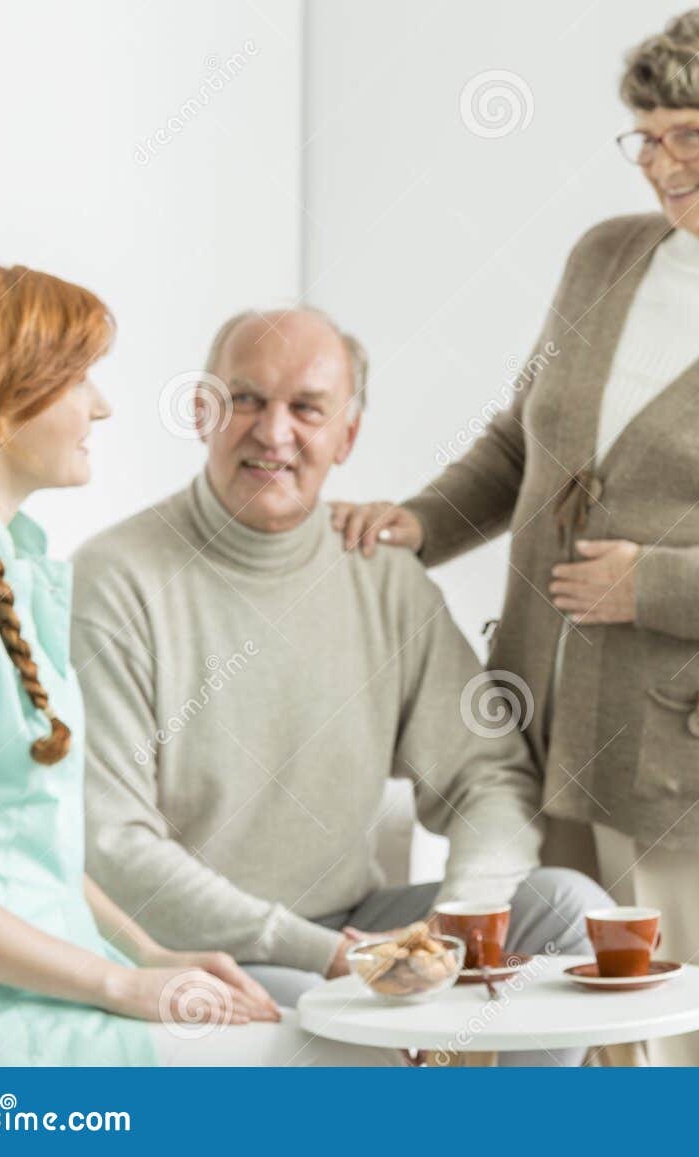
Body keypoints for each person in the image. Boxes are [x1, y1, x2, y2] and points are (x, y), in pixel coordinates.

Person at [325, 3, 699, 1067]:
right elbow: (523, 442)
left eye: (693, 134)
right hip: (541, 703)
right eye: (647, 133)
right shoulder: (606, 258)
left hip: (691, 735)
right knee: (543, 1005)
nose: (661, 163)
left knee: (695, 1028)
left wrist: (656, 584)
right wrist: (419, 521)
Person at [73, 307, 610, 1066]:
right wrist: (332, 955)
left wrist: (461, 917)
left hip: (354, 920)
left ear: (346, 437)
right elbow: (114, 843)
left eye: (306, 408)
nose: (274, 432)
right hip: (196, 947)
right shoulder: (116, 577)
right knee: (358, 1034)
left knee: (569, 913)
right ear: (202, 410)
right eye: (247, 399)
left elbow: (486, 769)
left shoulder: (379, 573)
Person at [0, 261, 316, 1066]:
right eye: (77, 379)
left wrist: (149, 956)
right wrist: (118, 984)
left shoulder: (6, 566)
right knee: (336, 1059)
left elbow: (35, 844)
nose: (101, 403)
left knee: (330, 1036)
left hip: (59, 1003)